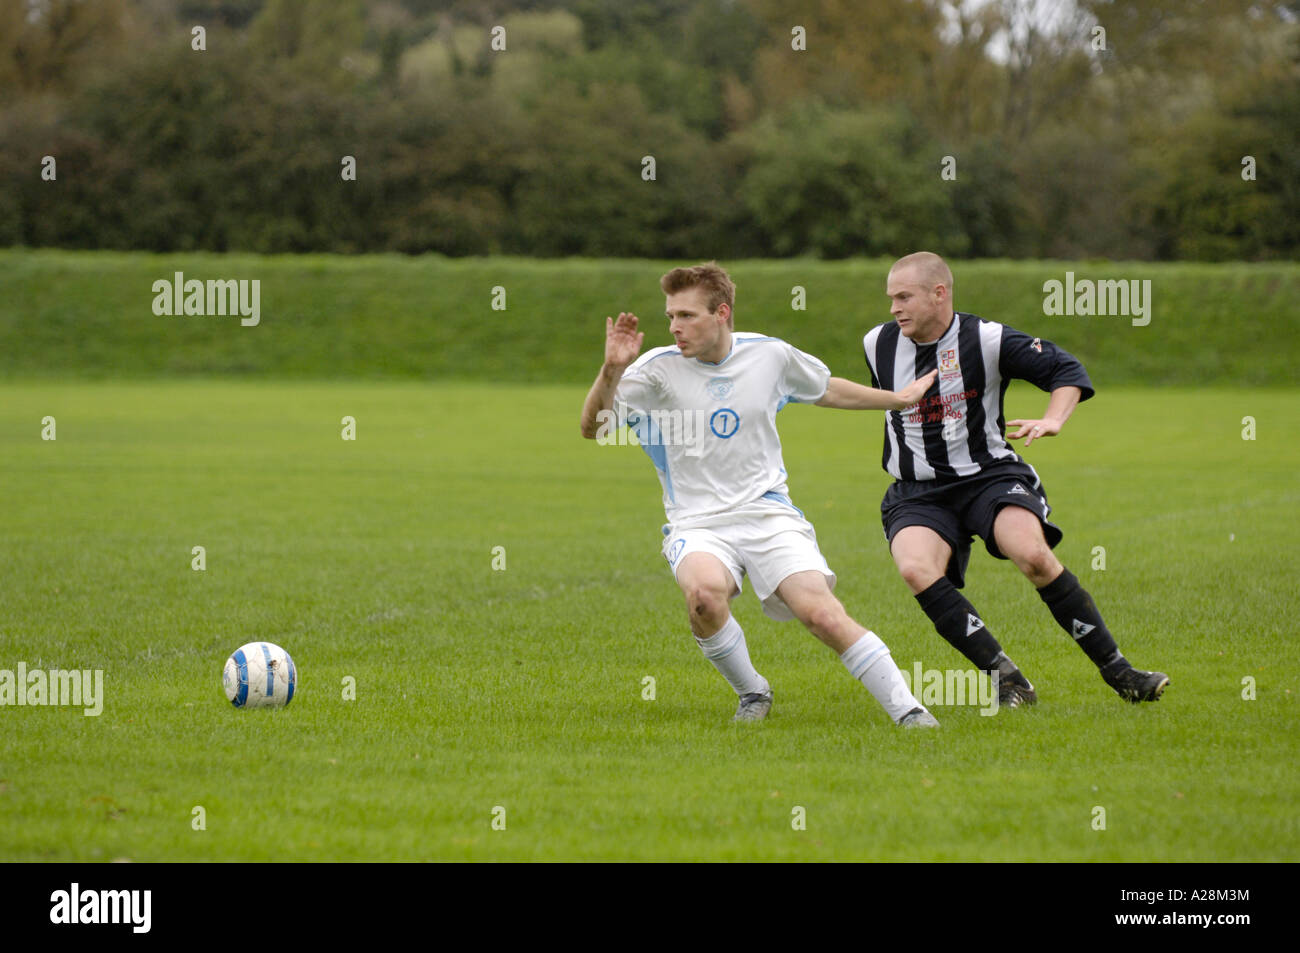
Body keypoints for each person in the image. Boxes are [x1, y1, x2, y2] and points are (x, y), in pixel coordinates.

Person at [580, 262, 941, 726]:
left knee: (822, 615)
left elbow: (826, 389)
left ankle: (908, 710)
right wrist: (611, 370)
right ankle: (753, 692)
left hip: (768, 514)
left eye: (687, 316)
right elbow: (594, 427)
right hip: (698, 523)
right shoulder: (654, 370)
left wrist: (898, 399)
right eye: (671, 316)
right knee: (704, 599)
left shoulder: (769, 356)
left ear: (722, 312)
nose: (675, 328)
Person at [863, 251, 1169, 707]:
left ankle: (1120, 672)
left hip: (989, 477)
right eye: (891, 298)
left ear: (939, 293)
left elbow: (1065, 371)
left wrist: (1054, 419)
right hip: (918, 490)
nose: (894, 308)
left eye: (904, 296)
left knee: (1033, 556)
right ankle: (1008, 681)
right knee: (915, 568)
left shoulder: (986, 339)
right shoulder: (877, 343)